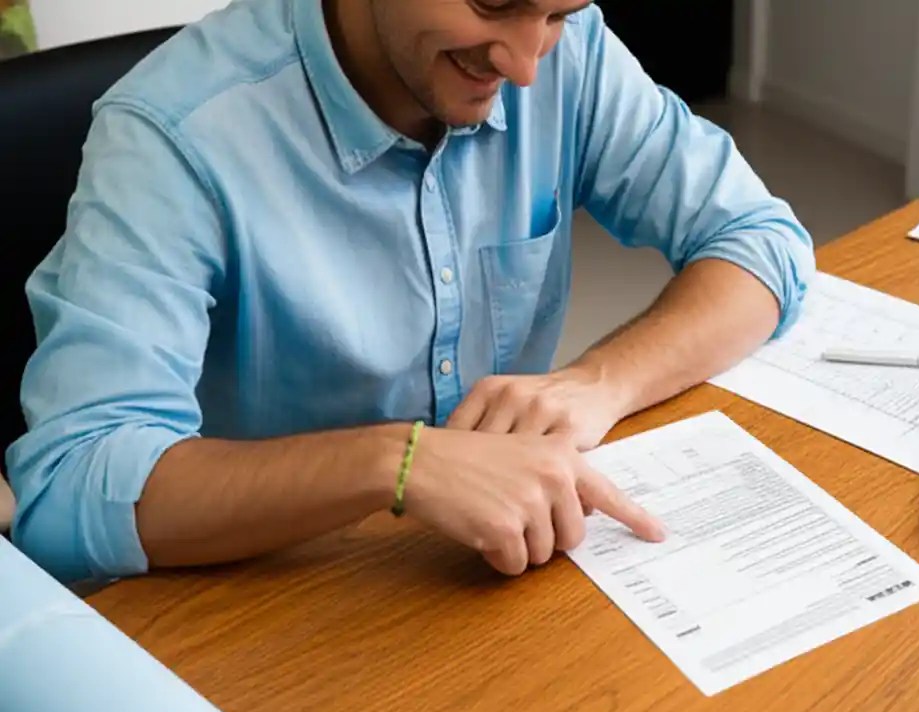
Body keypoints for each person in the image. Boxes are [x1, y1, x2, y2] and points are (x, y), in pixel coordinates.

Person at [6, 0, 815, 584]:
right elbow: (74, 487)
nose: (528, 63)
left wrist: (600, 381)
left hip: (486, 577)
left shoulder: (571, 53)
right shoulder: (173, 136)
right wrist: (396, 464)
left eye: (558, 12)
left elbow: (760, 243)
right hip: (270, 592)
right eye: (493, 4)